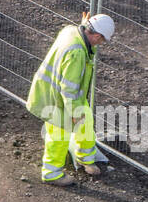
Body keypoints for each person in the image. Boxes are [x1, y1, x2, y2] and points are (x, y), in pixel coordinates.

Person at [25, 13, 115, 187]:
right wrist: (74, 113)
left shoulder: (71, 31)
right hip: (54, 98)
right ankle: (51, 174)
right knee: (59, 135)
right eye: (102, 40)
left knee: (86, 120)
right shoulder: (77, 53)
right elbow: (69, 88)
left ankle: (85, 157)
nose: (100, 44)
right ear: (96, 35)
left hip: (55, 91)